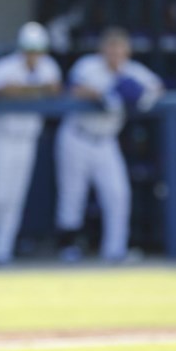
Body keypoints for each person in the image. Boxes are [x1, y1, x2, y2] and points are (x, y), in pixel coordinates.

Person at [54, 26, 163, 262]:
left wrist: (143, 96)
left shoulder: (131, 70)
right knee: (73, 195)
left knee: (117, 194)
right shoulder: (88, 65)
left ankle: (115, 250)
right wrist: (105, 94)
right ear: (102, 50)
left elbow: (157, 87)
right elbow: (75, 88)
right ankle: (68, 247)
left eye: (120, 50)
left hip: (105, 142)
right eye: (111, 49)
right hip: (77, 136)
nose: (115, 55)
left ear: (127, 52)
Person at [0, 21, 62, 265]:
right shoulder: (5, 67)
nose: (33, 54)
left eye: (37, 49)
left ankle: (1, 251)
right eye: (29, 49)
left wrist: (22, 90)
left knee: (15, 198)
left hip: (27, 139)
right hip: (0, 136)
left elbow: (55, 89)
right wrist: (29, 90)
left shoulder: (49, 66)